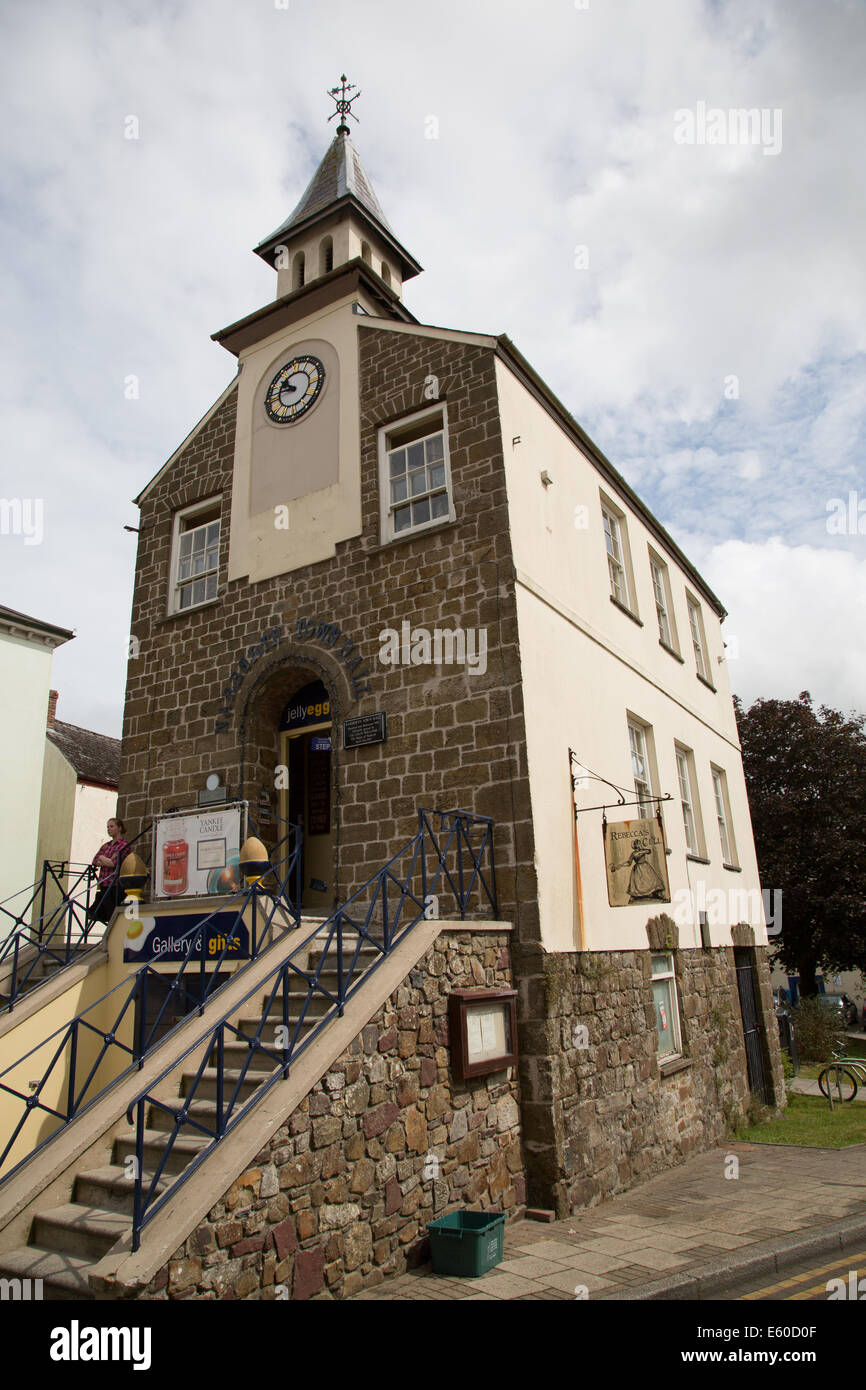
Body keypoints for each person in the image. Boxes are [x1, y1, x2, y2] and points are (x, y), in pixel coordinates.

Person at [88, 817, 131, 927]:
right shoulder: (106, 845)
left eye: (111, 826)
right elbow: (95, 860)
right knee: (97, 912)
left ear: (119, 828)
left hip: (115, 884)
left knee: (113, 913)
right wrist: (105, 858)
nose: (109, 829)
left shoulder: (123, 845)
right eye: (107, 827)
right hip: (104, 883)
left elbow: (114, 863)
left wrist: (103, 859)